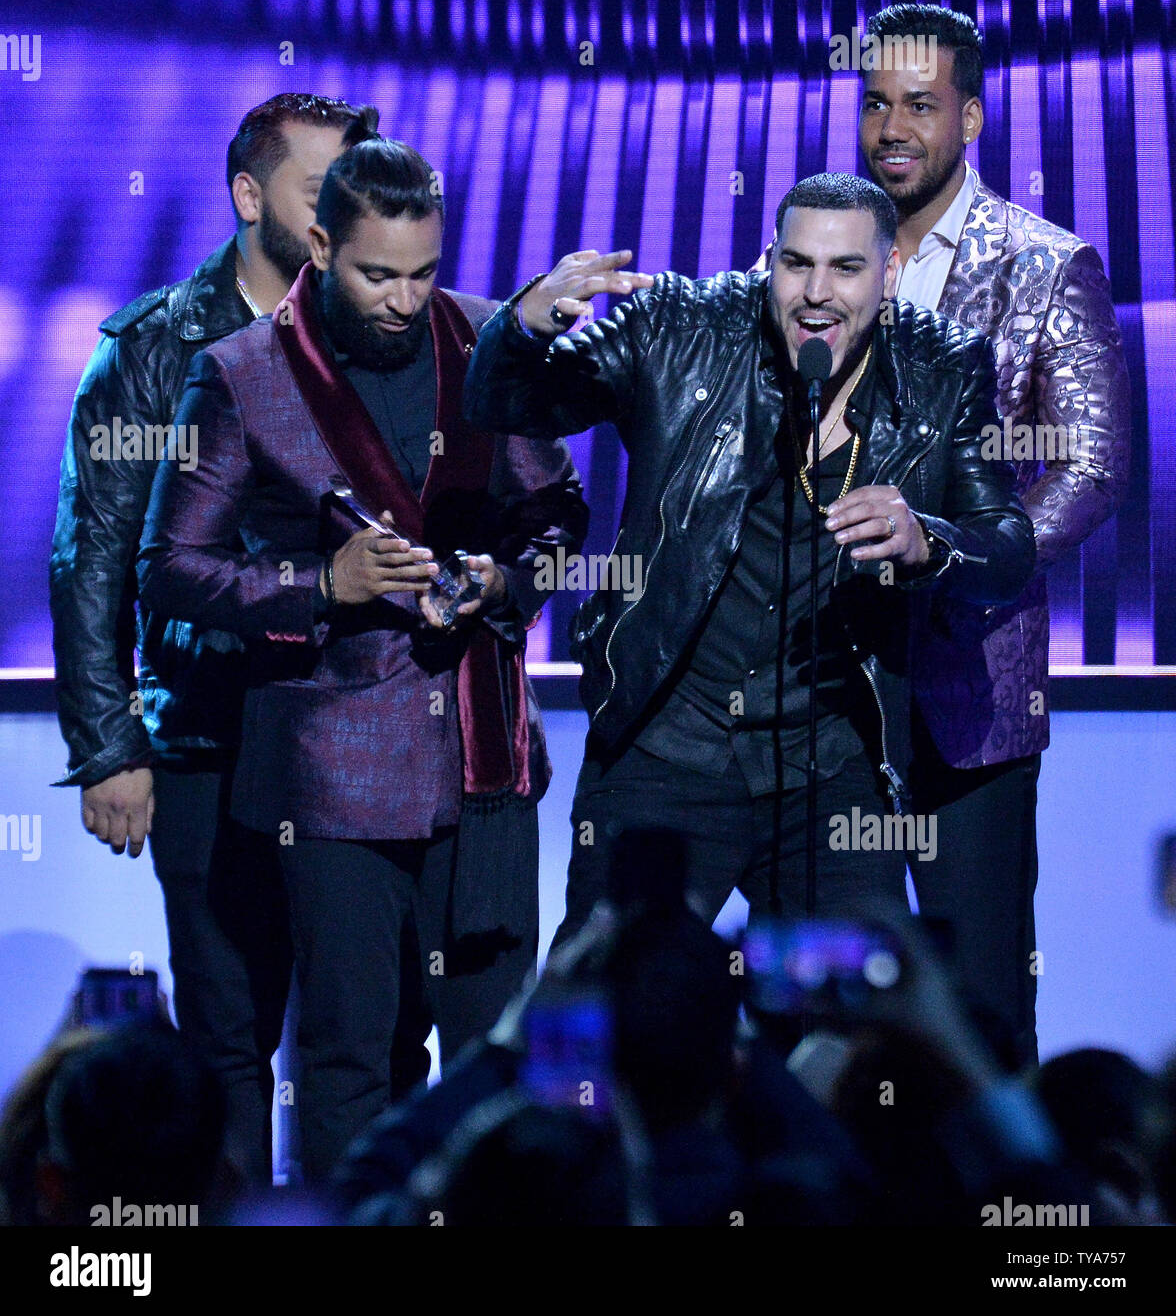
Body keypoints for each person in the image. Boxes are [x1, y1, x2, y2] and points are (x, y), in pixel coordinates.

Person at [138, 131, 587, 1183]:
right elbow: (169, 568)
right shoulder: (240, 377)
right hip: (329, 774)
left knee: (489, 1059)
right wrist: (319, 588)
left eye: (421, 272)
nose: (400, 298)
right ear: (319, 248)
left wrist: (504, 578)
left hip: (484, 767)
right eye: (375, 273)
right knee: (345, 1058)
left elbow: (558, 512)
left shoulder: (485, 340)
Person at [464, 172, 1035, 950]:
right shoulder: (680, 326)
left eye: (846, 269)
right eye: (796, 264)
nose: (816, 294)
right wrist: (525, 325)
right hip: (668, 746)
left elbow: (1006, 547)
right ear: (770, 259)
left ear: (891, 272)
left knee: (862, 1034)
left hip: (830, 764)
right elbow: (504, 404)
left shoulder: (945, 368)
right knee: (611, 1015)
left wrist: (929, 540)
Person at [49, 93, 371, 1183]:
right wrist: (111, 746)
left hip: (355, 739)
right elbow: (92, 554)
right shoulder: (152, 347)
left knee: (359, 1034)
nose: (339, 218)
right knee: (227, 1035)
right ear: (249, 196)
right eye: (317, 192)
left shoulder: (382, 336)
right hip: (202, 739)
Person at [856, 4, 1130, 1067]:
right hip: (821, 690)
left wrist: (956, 558)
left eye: (919, 106)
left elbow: (1093, 469)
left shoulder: (1045, 263)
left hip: (971, 688)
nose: (892, 128)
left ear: (968, 115)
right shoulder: (815, 253)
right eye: (875, 103)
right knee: (833, 1010)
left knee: (976, 1017)